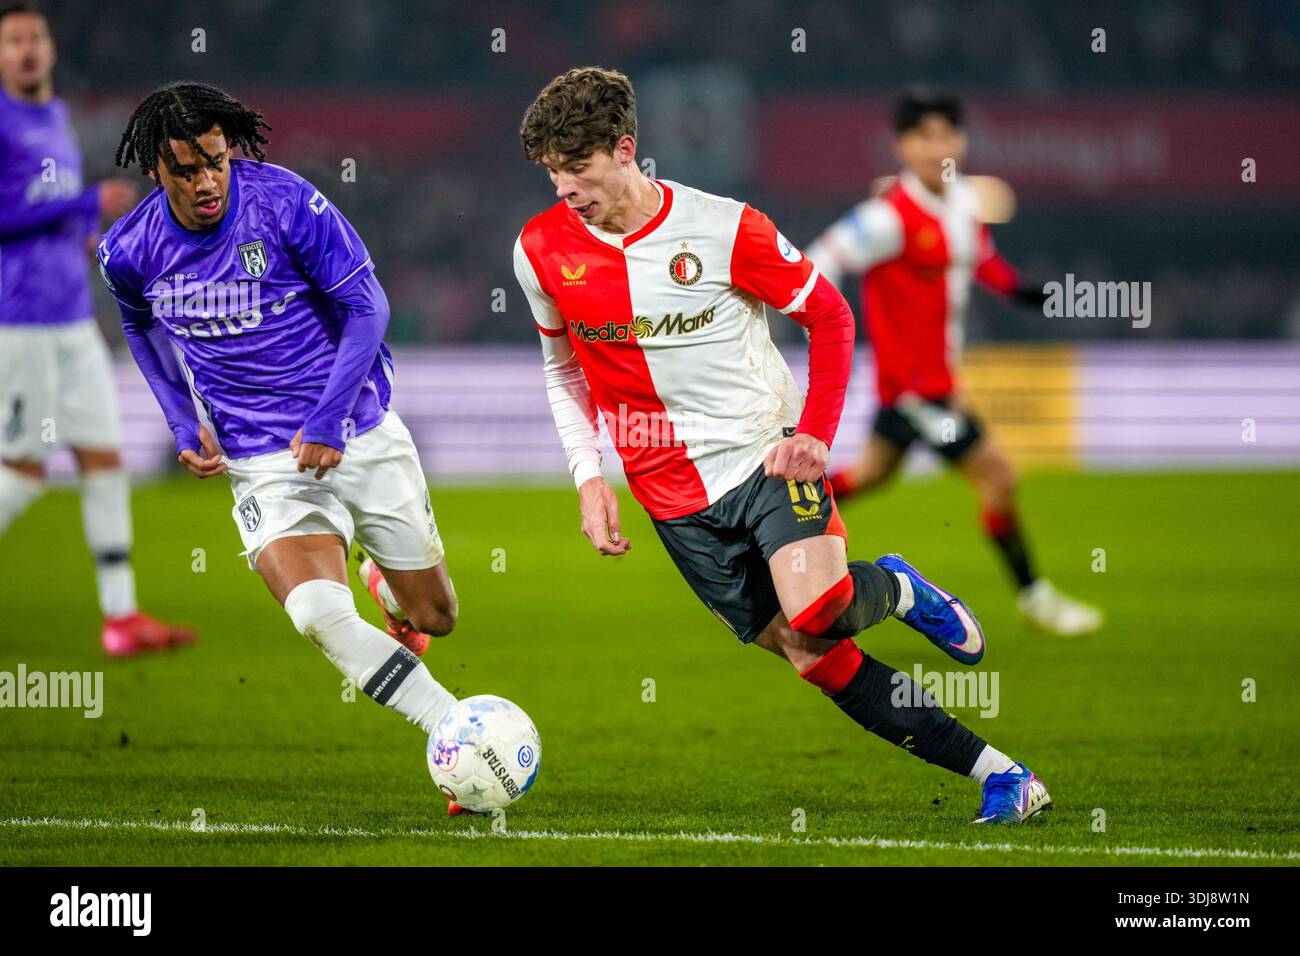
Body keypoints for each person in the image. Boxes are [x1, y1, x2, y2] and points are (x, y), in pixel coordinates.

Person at [513, 67, 1051, 824]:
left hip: (763, 457)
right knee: (817, 659)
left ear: (625, 148)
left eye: (578, 168)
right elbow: (562, 368)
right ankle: (1005, 777)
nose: (565, 189)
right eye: (551, 174)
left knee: (818, 607)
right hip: (669, 498)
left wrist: (814, 437)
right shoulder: (539, 249)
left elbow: (830, 318)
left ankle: (893, 588)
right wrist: (586, 476)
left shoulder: (726, 228)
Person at [99, 81, 459, 738]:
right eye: (187, 170)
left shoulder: (287, 202)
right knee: (316, 613)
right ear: (155, 168)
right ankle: (452, 729)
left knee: (435, 617)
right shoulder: (129, 250)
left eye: (217, 160)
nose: (208, 181)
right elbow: (140, 327)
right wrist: (182, 419)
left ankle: (386, 582)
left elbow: (367, 307)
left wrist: (327, 418)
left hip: (356, 428)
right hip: (259, 455)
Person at [806, 88, 1103, 637]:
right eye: (926, 136)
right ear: (902, 145)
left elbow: (983, 260)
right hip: (917, 394)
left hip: (939, 383)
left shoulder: (965, 201)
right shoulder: (885, 217)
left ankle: (784, 511)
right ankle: (1035, 597)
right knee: (998, 475)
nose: (939, 146)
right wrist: (821, 328)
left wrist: (1029, 294)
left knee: (870, 475)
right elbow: (820, 260)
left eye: (949, 134)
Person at [0, 0, 195, 655]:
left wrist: (81, 231)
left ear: (51, 49)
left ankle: (120, 617)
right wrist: (86, 202)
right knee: (23, 471)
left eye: (35, 37)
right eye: (13, 40)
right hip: (20, 320)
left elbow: (39, 209)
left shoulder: (54, 117)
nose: (27, 49)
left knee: (104, 461)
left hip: (74, 317)